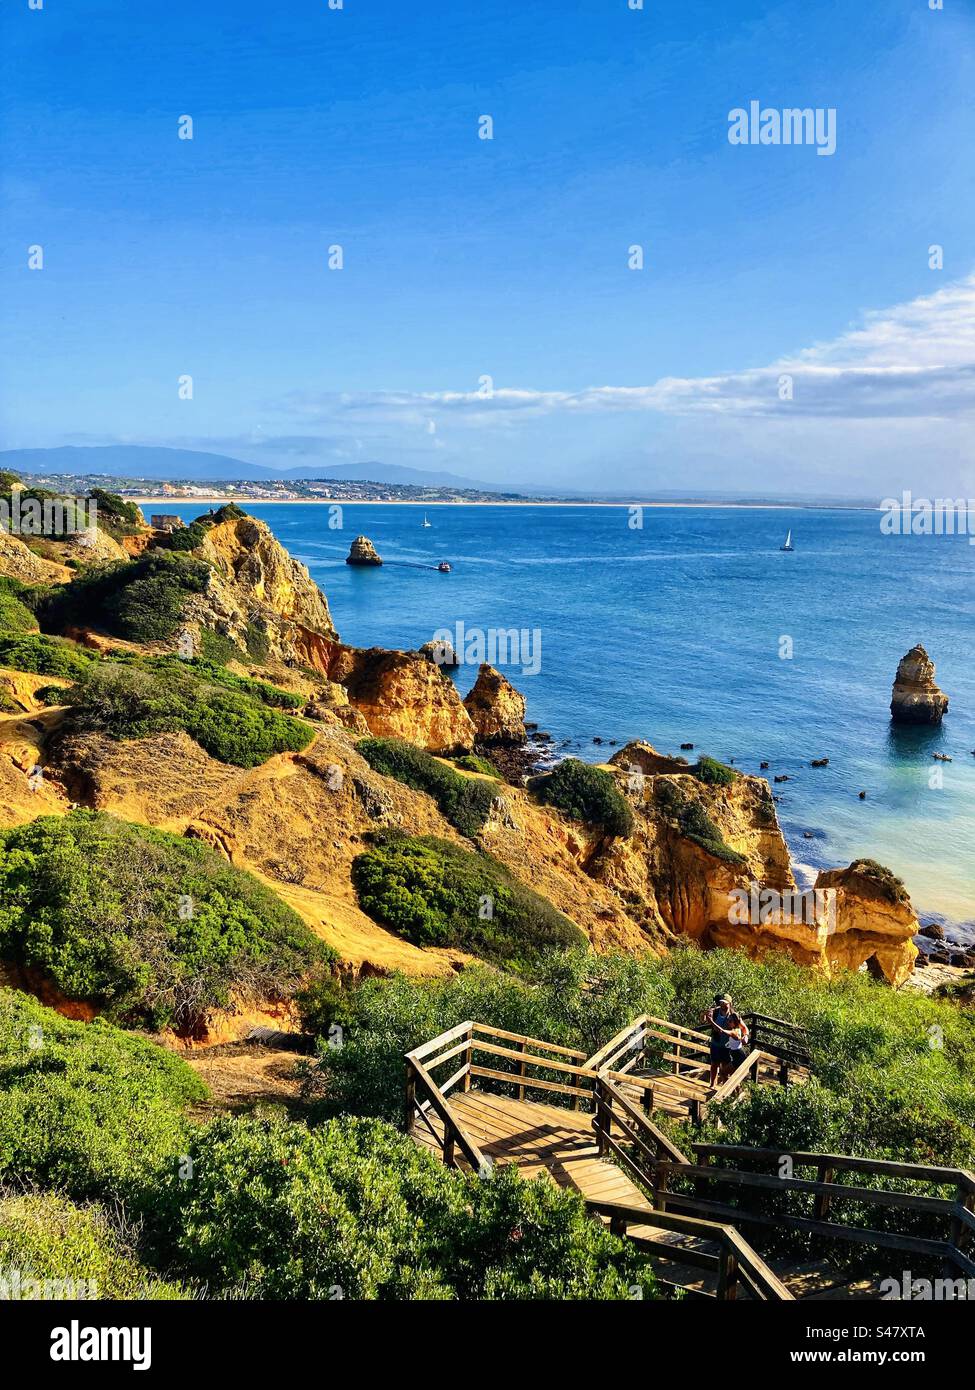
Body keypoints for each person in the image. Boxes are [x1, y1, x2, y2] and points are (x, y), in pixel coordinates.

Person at [703, 993, 748, 1086]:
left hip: (727, 1046)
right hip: (716, 1042)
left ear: (729, 1003)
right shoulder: (715, 1012)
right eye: (721, 1003)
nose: (722, 1005)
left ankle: (725, 1087)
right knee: (714, 1064)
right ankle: (712, 1085)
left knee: (725, 1066)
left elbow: (744, 1027)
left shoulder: (733, 1016)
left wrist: (746, 1036)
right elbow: (703, 1020)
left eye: (725, 1003)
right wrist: (705, 1015)